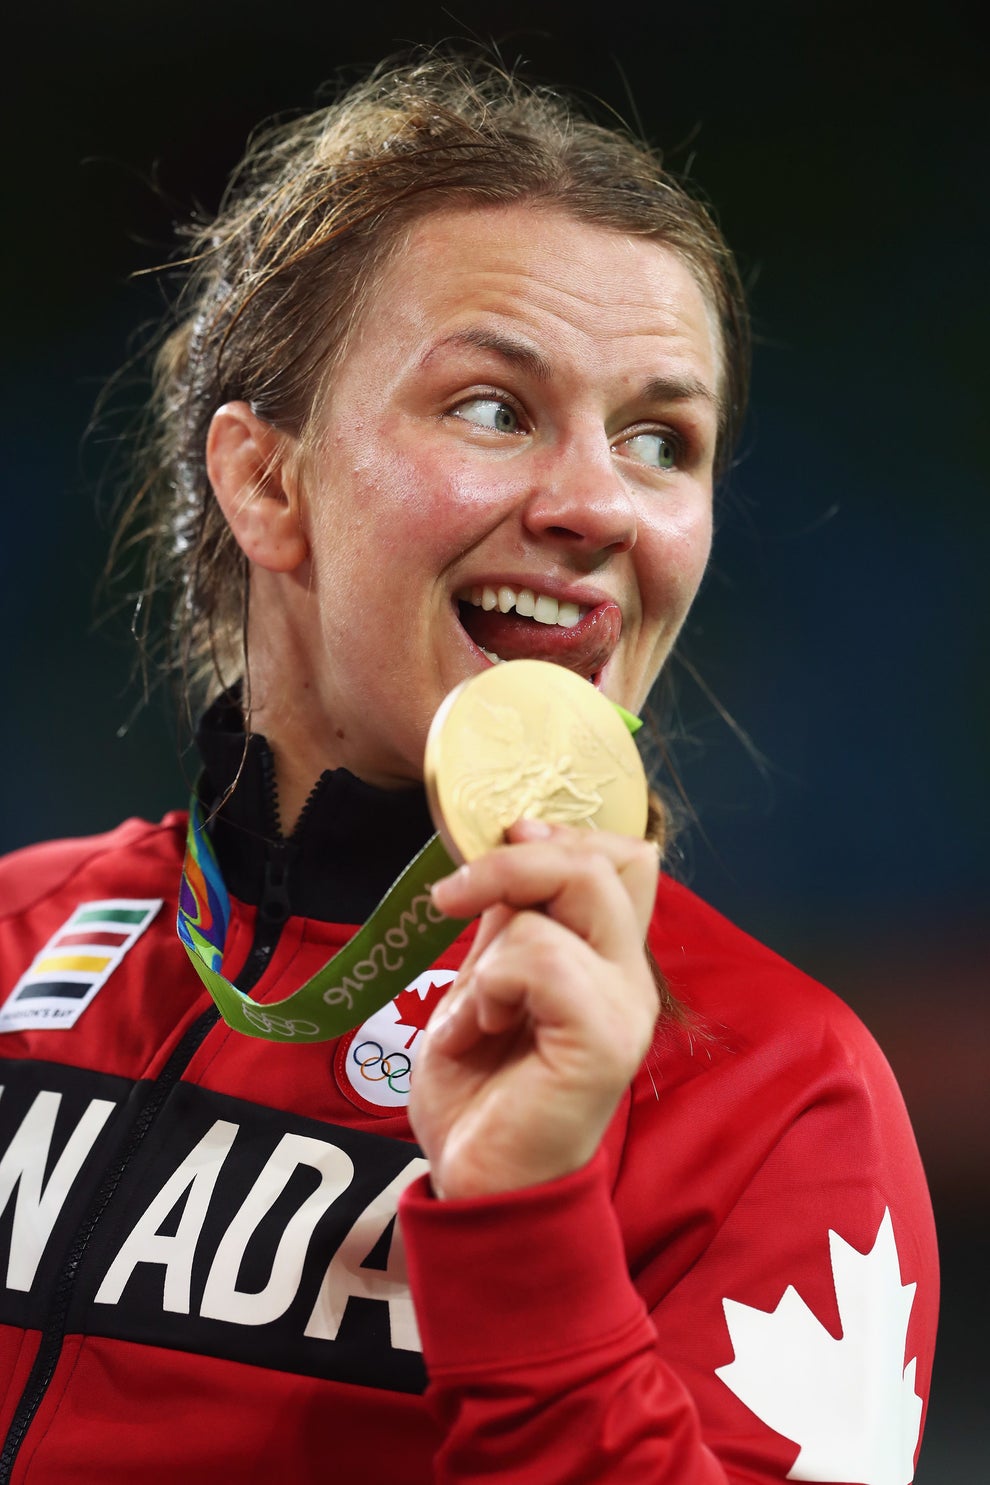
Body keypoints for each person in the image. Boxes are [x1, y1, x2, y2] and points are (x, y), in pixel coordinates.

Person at [0, 54, 937, 1484]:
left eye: (657, 440)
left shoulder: (769, 1090)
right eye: (494, 407)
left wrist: (524, 1221)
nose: (595, 506)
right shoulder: (19, 943)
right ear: (266, 482)